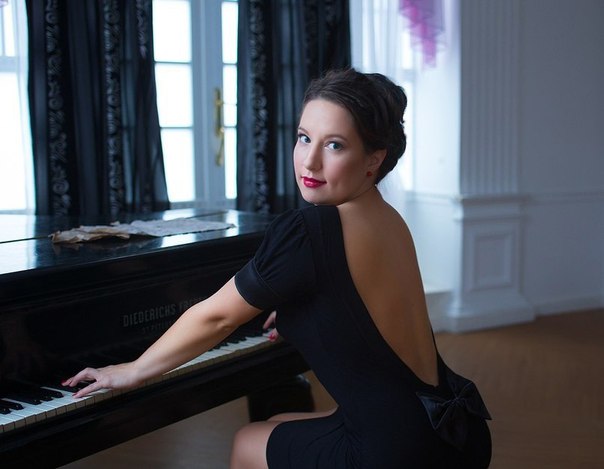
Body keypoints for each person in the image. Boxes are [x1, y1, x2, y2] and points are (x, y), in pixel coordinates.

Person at [63, 68, 492, 468]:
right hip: (453, 427)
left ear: (373, 159)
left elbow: (216, 317)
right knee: (279, 422)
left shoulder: (310, 229)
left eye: (335, 145)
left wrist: (133, 370)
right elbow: (365, 308)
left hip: (396, 448)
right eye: (304, 138)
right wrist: (304, 311)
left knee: (246, 442)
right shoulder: (388, 219)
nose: (310, 162)